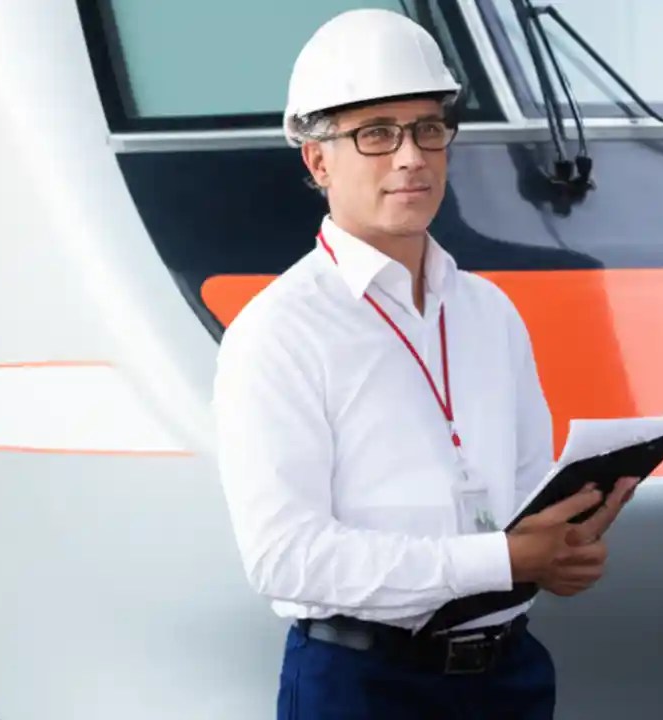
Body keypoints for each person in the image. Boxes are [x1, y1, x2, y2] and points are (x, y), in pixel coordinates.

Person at [212, 9, 639, 719]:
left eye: (427, 129)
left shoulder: (489, 311)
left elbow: (527, 489)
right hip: (363, 685)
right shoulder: (277, 331)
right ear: (318, 161)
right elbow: (284, 556)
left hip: (510, 675)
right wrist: (501, 560)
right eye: (375, 134)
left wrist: (562, 545)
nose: (410, 156)